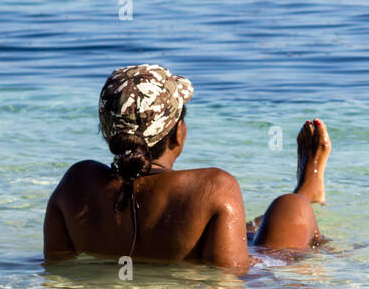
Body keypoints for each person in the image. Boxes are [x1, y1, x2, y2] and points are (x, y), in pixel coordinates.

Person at [43, 64, 329, 273]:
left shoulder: (74, 185)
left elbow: (56, 269)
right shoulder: (215, 188)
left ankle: (289, 203)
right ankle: (306, 190)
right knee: (290, 208)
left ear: (108, 134)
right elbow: (233, 281)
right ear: (178, 133)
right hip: (240, 271)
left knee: (250, 228)